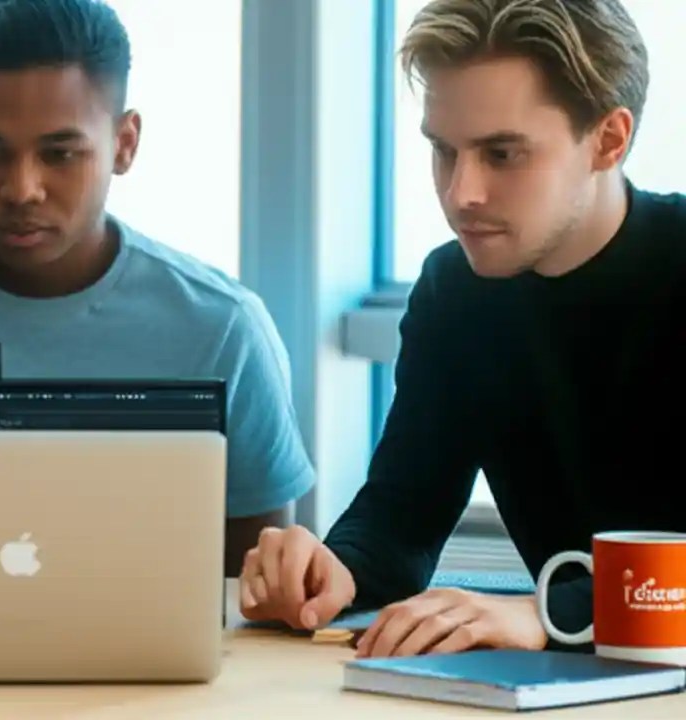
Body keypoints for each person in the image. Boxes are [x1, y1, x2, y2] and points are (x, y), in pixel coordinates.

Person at [240, 0, 686, 658]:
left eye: (501, 154)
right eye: (443, 152)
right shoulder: (457, 289)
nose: (460, 193)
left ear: (609, 140)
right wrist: (332, 571)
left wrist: (551, 615)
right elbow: (402, 516)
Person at [0, 0, 314, 576]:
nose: (22, 189)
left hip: (142, 659)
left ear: (124, 145)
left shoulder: (224, 329)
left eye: (60, 153)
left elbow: (257, 589)